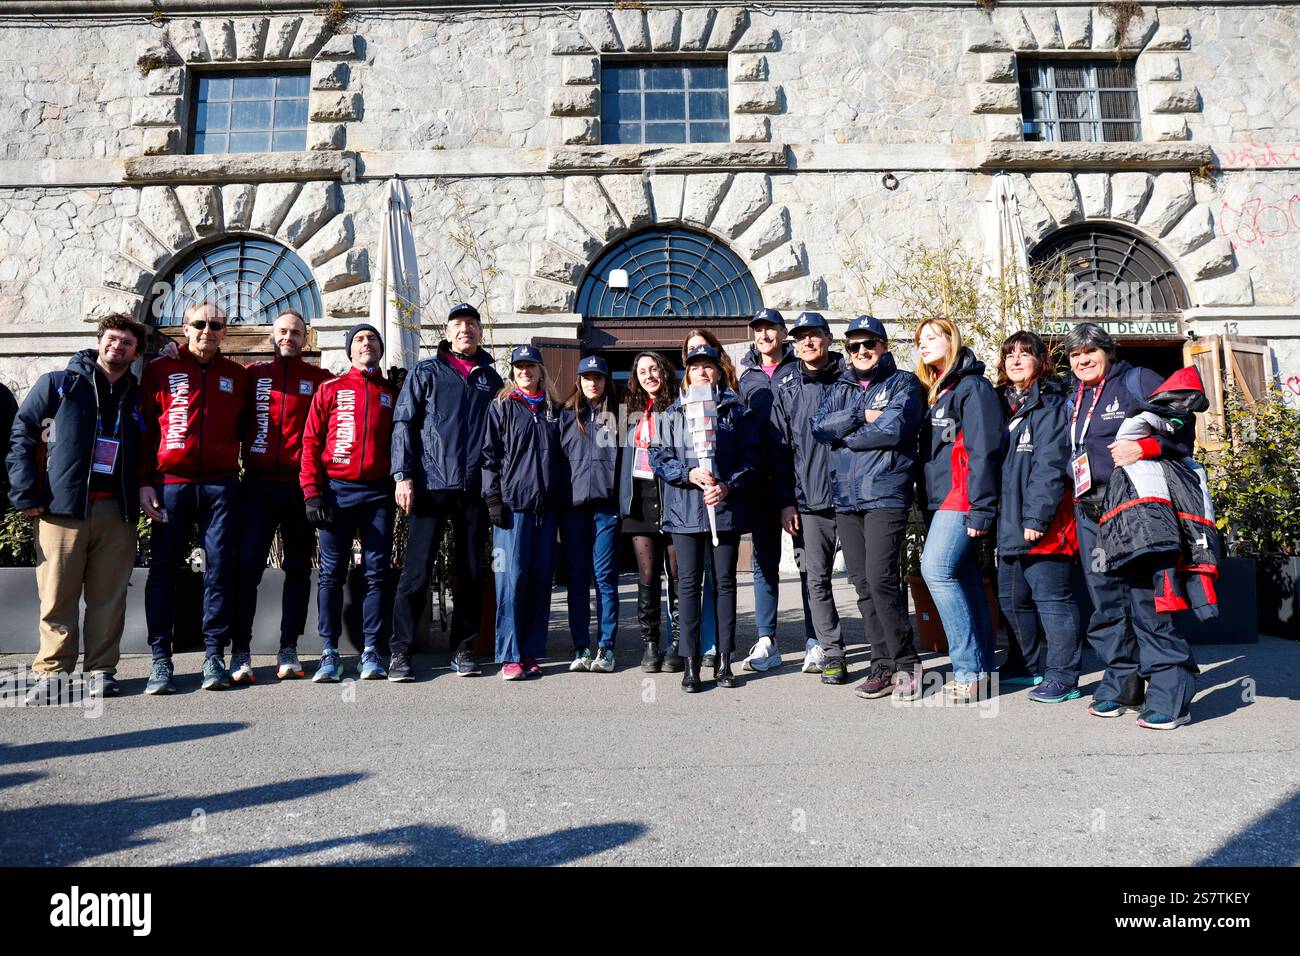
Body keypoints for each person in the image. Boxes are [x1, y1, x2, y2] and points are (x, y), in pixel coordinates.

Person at [1064, 322, 1199, 728]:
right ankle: (1123, 683)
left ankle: (1172, 692)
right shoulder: (1075, 398)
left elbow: (1182, 422)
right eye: (1074, 354)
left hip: (1137, 509)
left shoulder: (1138, 379)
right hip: (1090, 510)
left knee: (1147, 598)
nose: (1083, 359)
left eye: (1090, 350)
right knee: (1106, 601)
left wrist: (1146, 446)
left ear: (1108, 351)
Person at [8, 314, 146, 700]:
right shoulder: (59, 384)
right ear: (99, 341)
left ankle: (102, 670)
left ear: (137, 353)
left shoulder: (137, 395)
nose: (117, 346)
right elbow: (23, 433)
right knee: (56, 594)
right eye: (112, 338)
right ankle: (53, 672)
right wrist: (25, 493)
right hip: (62, 508)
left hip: (116, 510)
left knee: (109, 597)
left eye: (127, 342)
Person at [812, 315, 926, 699]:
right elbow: (819, 428)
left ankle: (907, 664)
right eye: (854, 346)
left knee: (881, 579)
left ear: (884, 346)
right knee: (862, 585)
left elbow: (895, 429)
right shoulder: (841, 386)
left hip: (885, 494)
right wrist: (859, 417)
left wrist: (846, 438)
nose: (861, 352)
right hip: (845, 498)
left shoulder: (904, 383)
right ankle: (881, 666)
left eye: (869, 344)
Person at [139, 302, 248, 695]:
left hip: (221, 486)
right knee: (164, 570)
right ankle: (160, 659)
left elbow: (252, 428)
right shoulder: (160, 370)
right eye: (199, 324)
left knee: (219, 568)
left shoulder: (238, 375)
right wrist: (145, 481)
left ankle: (214, 654)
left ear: (225, 331)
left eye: (215, 324)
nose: (207, 330)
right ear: (184, 329)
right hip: (171, 484)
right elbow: (145, 431)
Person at [390, 303, 504, 681]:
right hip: (430, 484)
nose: (465, 330)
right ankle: (401, 650)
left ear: (480, 333)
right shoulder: (427, 370)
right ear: (448, 332)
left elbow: (502, 436)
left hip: (473, 489)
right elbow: (404, 423)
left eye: (472, 324)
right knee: (417, 571)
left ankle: (464, 646)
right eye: (458, 325)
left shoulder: (492, 378)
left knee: (471, 571)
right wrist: (402, 475)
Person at [230, 310, 333, 683]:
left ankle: (288, 648)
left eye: (296, 332)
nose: (289, 337)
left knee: (298, 570)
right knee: (248, 569)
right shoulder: (252, 374)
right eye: (283, 332)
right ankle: (240, 650)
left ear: (306, 339)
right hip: (256, 484)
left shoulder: (320, 380)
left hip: (300, 486)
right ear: (273, 337)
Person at [652, 344, 760, 692]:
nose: (702, 371)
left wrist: (728, 486)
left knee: (725, 585)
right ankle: (690, 663)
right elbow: (659, 457)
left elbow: (752, 459)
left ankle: (725, 661)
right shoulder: (671, 414)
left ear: (719, 371)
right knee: (687, 586)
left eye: (708, 366)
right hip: (684, 513)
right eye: (695, 366)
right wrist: (688, 474)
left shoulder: (735, 413)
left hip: (723, 512)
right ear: (687, 373)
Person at [300, 323, 397, 683]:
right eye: (359, 339)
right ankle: (329, 651)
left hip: (378, 494)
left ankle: (371, 649)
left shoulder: (391, 391)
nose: (366, 342)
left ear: (380, 350)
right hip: (336, 491)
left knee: (376, 573)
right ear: (349, 351)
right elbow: (310, 444)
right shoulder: (331, 389)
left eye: (373, 338)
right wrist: (312, 493)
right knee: (330, 574)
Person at [915, 317, 1003, 703]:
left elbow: (984, 450)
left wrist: (982, 507)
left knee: (934, 570)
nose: (923, 344)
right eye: (920, 339)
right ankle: (982, 668)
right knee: (964, 580)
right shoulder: (937, 391)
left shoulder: (973, 387)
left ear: (952, 341)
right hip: (940, 500)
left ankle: (967, 670)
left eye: (933, 337)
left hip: (962, 496)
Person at [994, 331, 1083, 704]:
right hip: (1009, 519)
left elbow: (1050, 466)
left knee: (1052, 600)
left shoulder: (1051, 405)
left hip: (1044, 523)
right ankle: (1024, 665)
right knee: (1011, 598)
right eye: (1010, 354)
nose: (1016, 360)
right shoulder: (1000, 404)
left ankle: (1063, 677)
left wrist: (1037, 518)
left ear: (1040, 360)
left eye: (1025, 354)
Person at [770, 312, 849, 682]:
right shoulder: (786, 387)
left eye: (814, 335)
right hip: (810, 502)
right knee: (815, 579)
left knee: (870, 581)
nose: (807, 343)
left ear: (828, 338)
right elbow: (780, 450)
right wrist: (787, 500)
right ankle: (831, 653)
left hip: (854, 498)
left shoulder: (852, 381)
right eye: (800, 337)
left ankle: (888, 655)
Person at [481, 345, 564, 681]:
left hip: (546, 511)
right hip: (513, 510)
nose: (525, 372)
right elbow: (489, 457)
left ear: (541, 370)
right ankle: (509, 655)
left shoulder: (553, 409)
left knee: (540, 581)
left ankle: (530, 651)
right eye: (519, 367)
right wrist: (493, 500)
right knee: (510, 581)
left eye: (531, 366)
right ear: (513, 372)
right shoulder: (502, 406)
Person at [736, 308, 811, 673]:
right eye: (759, 329)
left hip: (800, 481)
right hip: (760, 484)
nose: (764, 334)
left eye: (771, 328)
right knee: (764, 563)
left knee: (808, 563)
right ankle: (767, 639)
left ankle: (817, 639)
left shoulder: (799, 370)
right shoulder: (745, 377)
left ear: (783, 332)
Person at [619, 350, 681, 674]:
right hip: (639, 502)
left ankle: (679, 644)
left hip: (672, 499)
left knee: (676, 573)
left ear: (663, 371)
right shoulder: (628, 413)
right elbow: (619, 461)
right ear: (636, 378)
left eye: (653, 368)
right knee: (647, 575)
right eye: (642, 371)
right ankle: (650, 644)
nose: (648, 375)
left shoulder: (678, 407)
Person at [559, 355, 621, 673]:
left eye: (598, 377)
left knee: (605, 579)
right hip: (573, 511)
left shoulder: (620, 416)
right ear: (579, 381)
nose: (592, 383)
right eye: (586, 377)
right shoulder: (566, 416)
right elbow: (555, 463)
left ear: (606, 380)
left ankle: (606, 648)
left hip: (606, 509)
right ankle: (580, 647)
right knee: (578, 580)